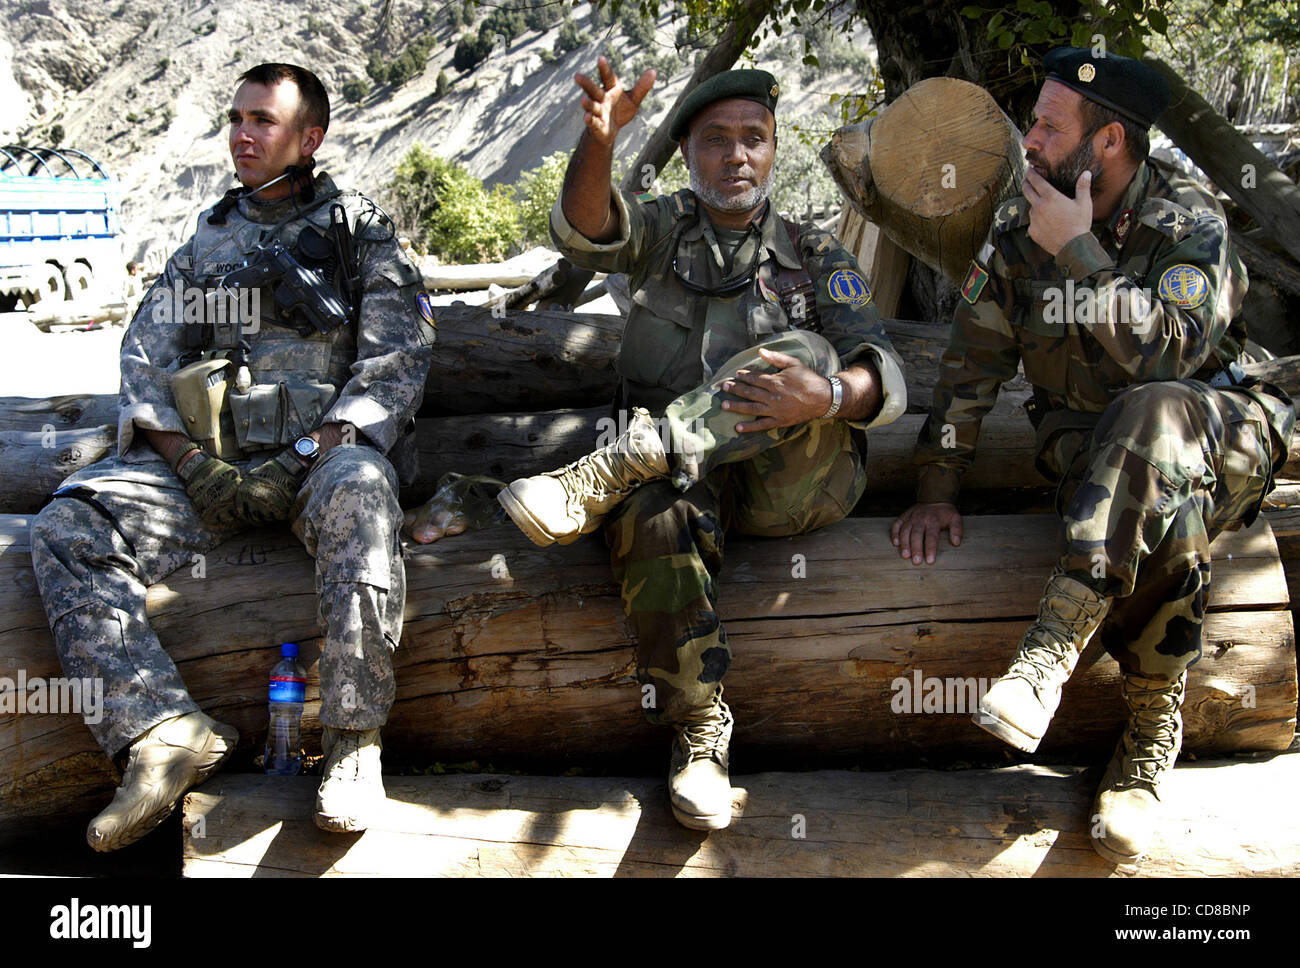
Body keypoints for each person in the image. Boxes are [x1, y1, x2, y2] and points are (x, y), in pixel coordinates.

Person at [891, 47, 1294, 866]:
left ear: (1108, 141)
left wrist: (1080, 251)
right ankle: (1149, 735)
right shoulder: (1016, 233)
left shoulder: (1188, 227)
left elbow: (1171, 357)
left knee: (1157, 410)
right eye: (1033, 122)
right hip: (1107, 467)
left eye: (1047, 125)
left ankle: (1048, 655)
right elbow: (970, 367)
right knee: (1162, 505)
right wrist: (937, 485)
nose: (1029, 140)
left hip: (1224, 433)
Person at [28, 63, 435, 850]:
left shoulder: (360, 232)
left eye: (265, 121)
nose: (243, 134)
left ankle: (353, 741)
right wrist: (188, 463)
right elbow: (143, 358)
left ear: (309, 139)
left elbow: (397, 359)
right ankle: (161, 733)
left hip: (323, 462)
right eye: (237, 118)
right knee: (70, 526)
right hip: (208, 475)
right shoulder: (206, 240)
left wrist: (310, 450)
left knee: (362, 495)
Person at [497, 62, 907, 831]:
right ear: (688, 152)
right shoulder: (662, 229)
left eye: (754, 139)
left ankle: (619, 463)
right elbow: (587, 230)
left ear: (776, 149)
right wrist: (599, 141)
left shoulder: (814, 253)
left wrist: (829, 395)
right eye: (716, 141)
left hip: (794, 481)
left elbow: (883, 372)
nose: (736, 156)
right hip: (689, 486)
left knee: (808, 357)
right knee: (651, 511)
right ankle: (699, 735)